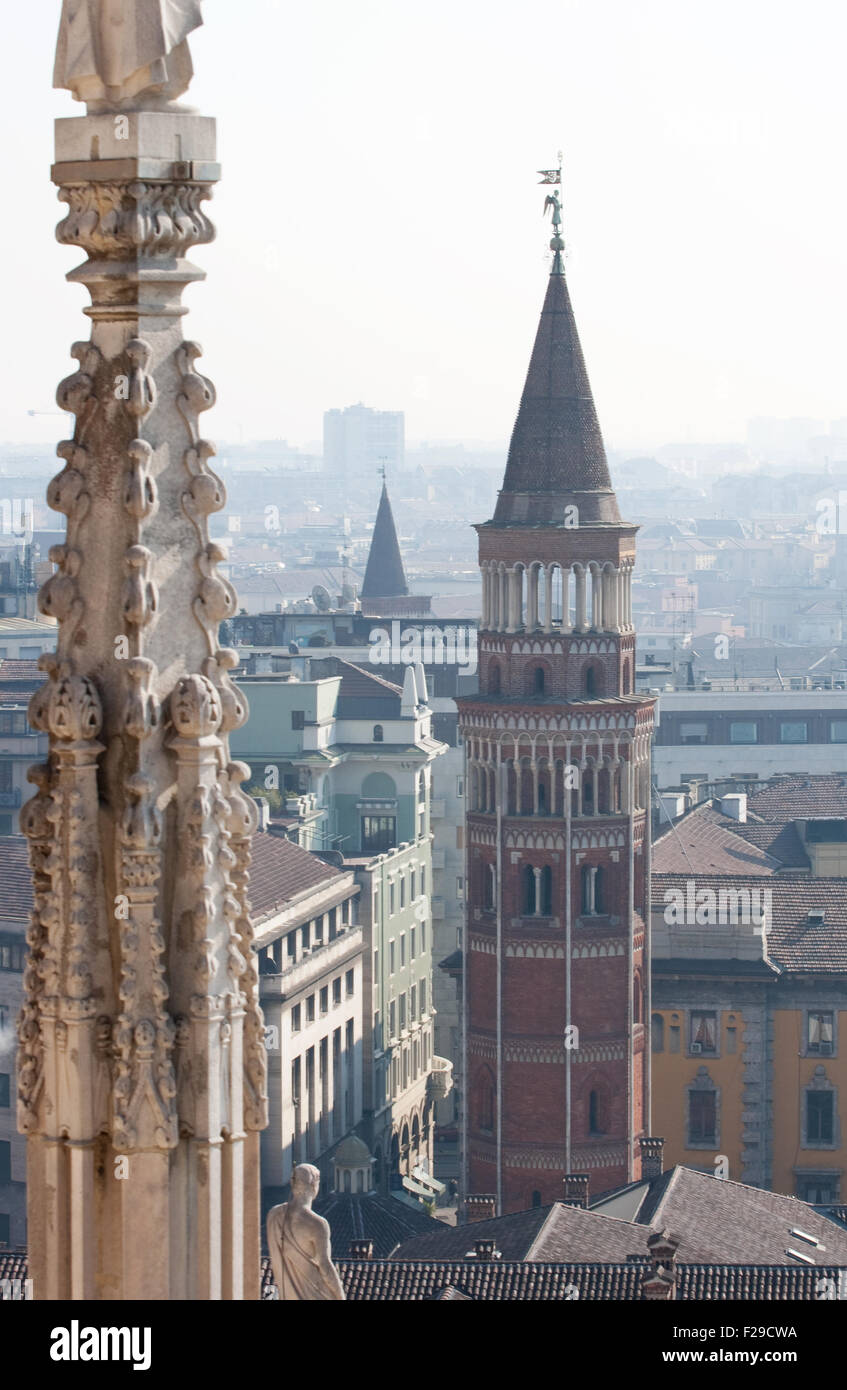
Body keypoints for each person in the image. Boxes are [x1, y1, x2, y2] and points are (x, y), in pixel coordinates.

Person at [267, 1164, 346, 1301]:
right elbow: (325, 1266)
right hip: (316, 1294)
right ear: (314, 1185)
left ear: (292, 1183)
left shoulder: (274, 1215)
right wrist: (340, 1296)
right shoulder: (317, 1224)